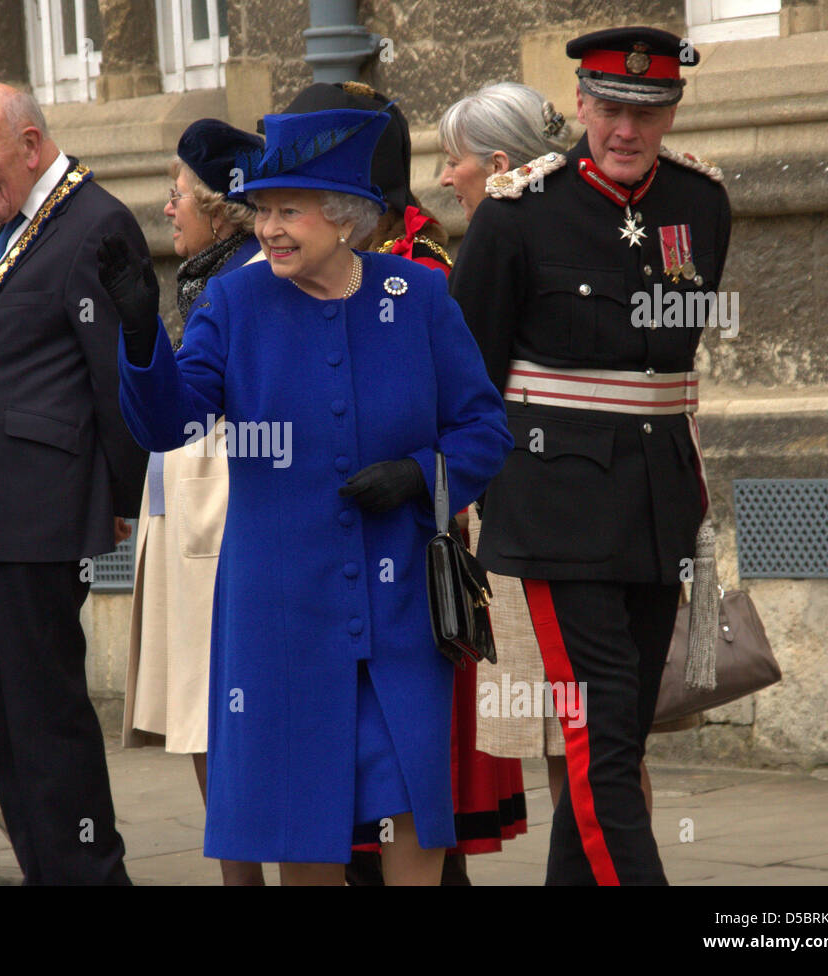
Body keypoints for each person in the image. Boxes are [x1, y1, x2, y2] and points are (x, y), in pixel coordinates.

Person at [103, 106, 512, 885]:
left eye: (289, 210)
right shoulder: (236, 304)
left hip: (401, 616)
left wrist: (425, 473)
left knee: (411, 804)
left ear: (345, 215)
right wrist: (138, 337)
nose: (269, 228)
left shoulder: (418, 298)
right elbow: (171, 423)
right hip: (280, 616)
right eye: (261, 210)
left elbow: (484, 427)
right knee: (300, 819)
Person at [450, 27, 730, 885]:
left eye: (646, 113)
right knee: (601, 741)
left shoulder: (702, 204)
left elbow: (669, 370)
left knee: (610, 738)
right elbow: (467, 379)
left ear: (672, 111)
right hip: (554, 516)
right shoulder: (515, 213)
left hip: (657, 514)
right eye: (609, 108)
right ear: (579, 105)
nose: (624, 130)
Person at [281, 81, 527, 886]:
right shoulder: (275, 274)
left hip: (408, 561)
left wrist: (422, 477)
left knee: (415, 785)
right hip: (316, 570)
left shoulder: (422, 271)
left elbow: (479, 420)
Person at [0, 83, 149, 885]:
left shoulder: (95, 222)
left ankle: (90, 876)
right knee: (8, 725)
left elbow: (118, 376)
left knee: (48, 720)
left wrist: (121, 502)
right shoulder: (19, 224)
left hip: (36, 513)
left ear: (29, 143)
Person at [121, 118, 265, 886]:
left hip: (220, 513)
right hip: (188, 507)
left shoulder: (244, 279)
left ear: (218, 206)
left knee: (219, 712)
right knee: (203, 713)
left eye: (177, 194)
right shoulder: (207, 274)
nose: (167, 209)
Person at [437, 82, 580, 804]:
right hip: (597, 499)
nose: (441, 178)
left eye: (450, 160)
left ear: (497, 164)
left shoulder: (500, 233)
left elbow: (467, 382)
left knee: (570, 737)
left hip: (531, 509)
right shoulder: (593, 220)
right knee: (595, 742)